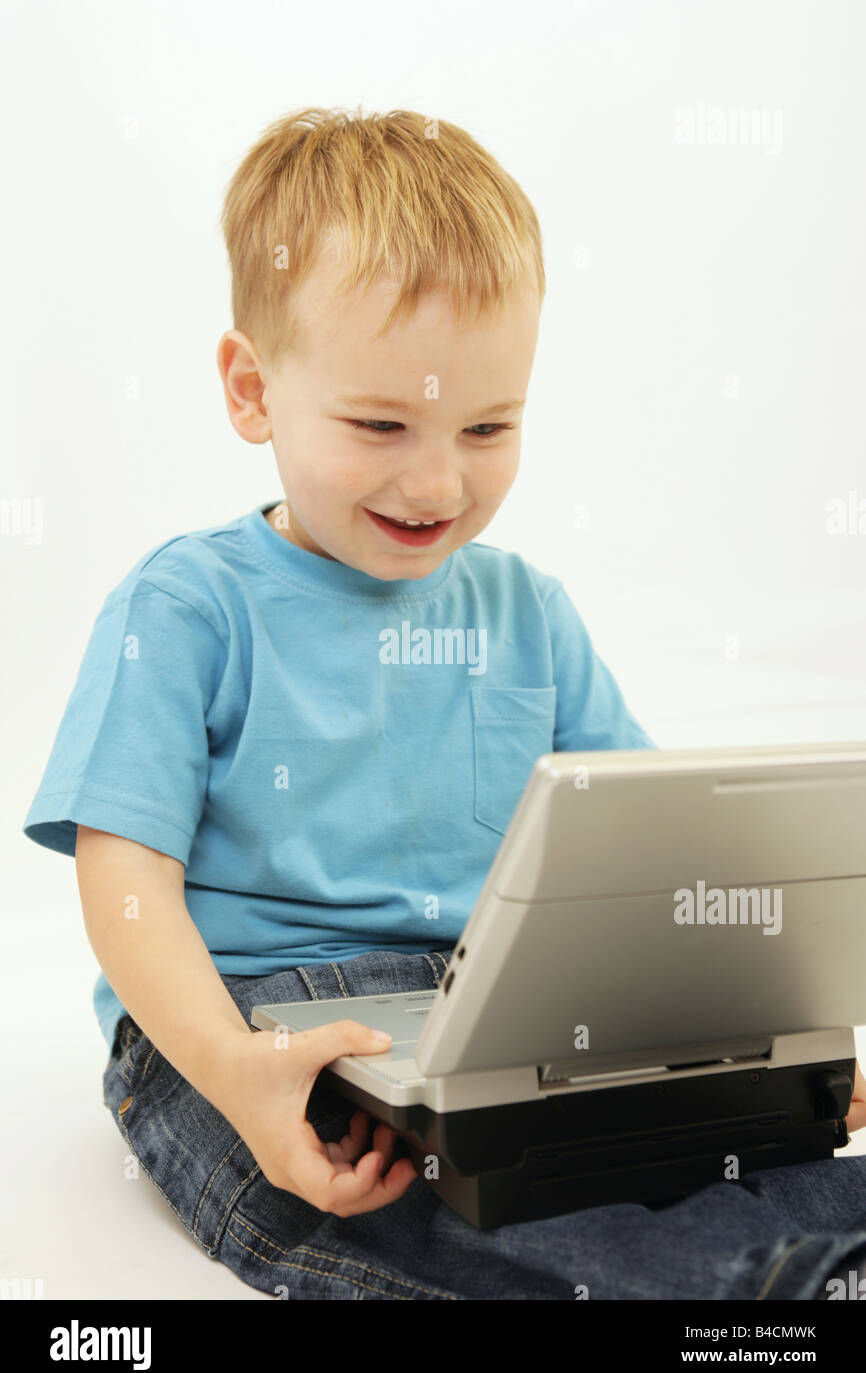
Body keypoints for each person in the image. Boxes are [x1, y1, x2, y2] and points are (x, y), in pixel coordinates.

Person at [23, 106, 866, 1300]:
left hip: (490, 1009)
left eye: (487, 427)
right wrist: (225, 1060)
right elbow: (122, 881)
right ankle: (729, 1292)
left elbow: (660, 861)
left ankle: (811, 1245)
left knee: (682, 1138)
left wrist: (775, 1033)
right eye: (379, 424)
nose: (437, 480)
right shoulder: (187, 606)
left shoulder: (527, 609)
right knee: (404, 1188)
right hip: (248, 1023)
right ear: (252, 389)